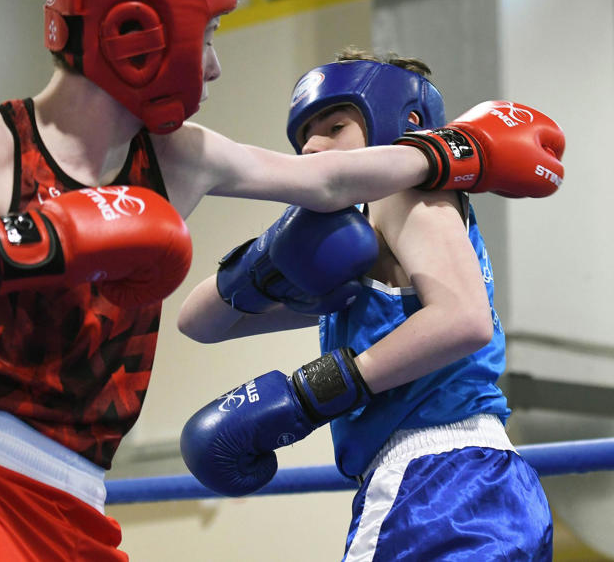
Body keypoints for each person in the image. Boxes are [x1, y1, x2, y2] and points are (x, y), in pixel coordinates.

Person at [0, 0, 558, 561]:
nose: (215, 64)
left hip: (80, 502)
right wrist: (24, 245)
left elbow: (330, 184)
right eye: (208, 35)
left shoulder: (179, 157)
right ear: (141, 31)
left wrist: (457, 151)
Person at [178, 50, 561, 561]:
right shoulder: (355, 253)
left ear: (399, 123)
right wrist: (263, 261)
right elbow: (200, 322)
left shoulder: (402, 195)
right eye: (305, 134)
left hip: (431, 485)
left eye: (334, 125)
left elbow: (464, 321)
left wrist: (312, 395)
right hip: (477, 487)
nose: (312, 144)